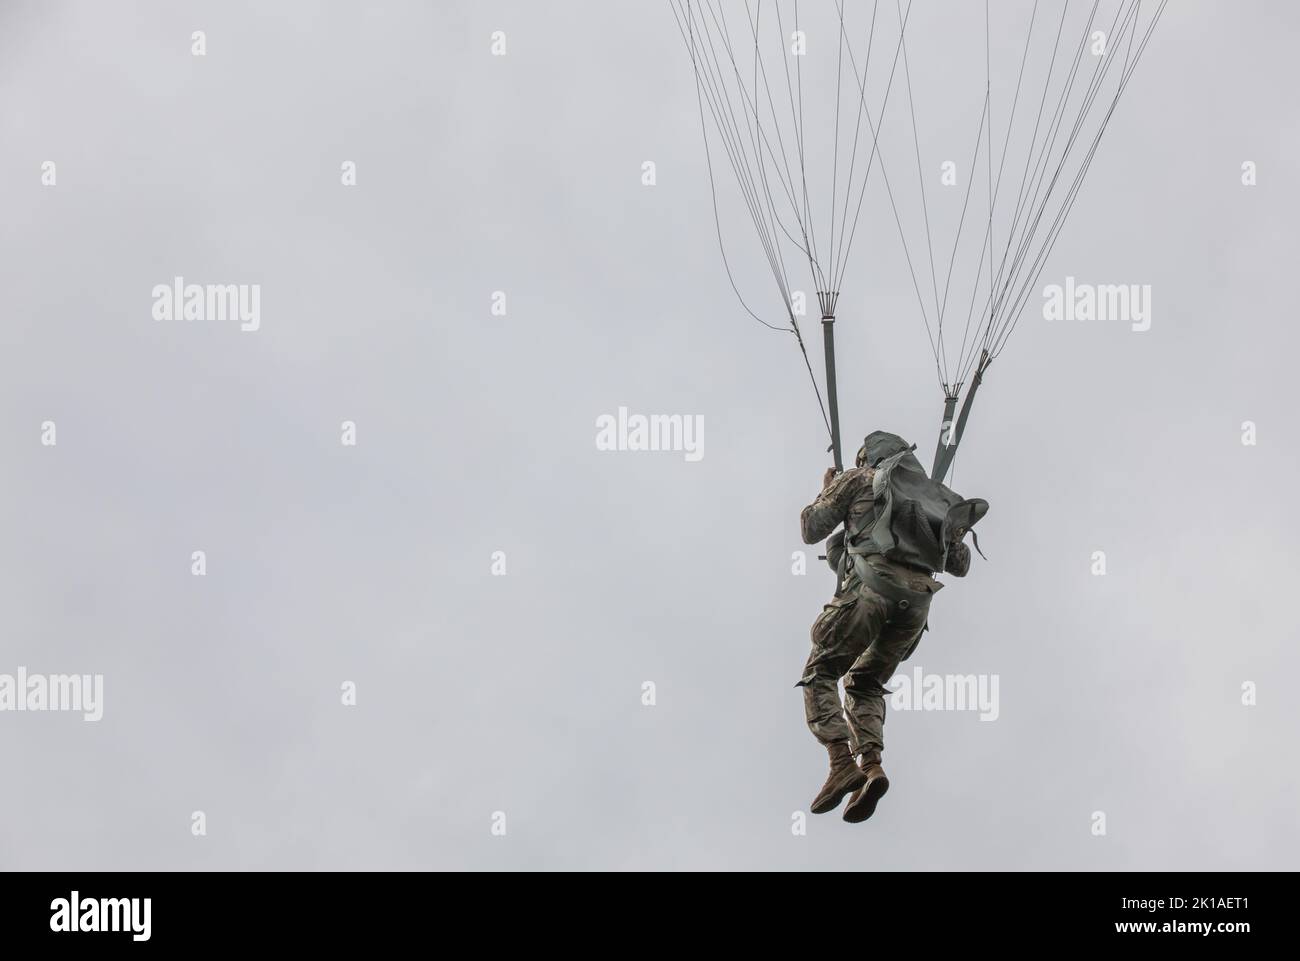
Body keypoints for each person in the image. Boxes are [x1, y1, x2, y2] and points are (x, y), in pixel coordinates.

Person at [796, 430, 981, 823]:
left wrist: (827, 491)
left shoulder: (860, 479)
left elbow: (811, 529)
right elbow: (960, 565)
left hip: (873, 590)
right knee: (864, 683)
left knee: (821, 671)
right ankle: (872, 767)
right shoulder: (934, 498)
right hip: (915, 606)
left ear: (870, 460)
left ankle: (840, 763)